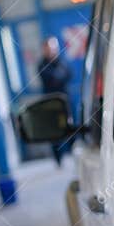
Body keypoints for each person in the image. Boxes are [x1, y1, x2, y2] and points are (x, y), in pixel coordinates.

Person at [38, 37, 71, 165]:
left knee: (70, 125)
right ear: (44, 49)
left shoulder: (62, 61)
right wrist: (58, 75)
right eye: (49, 48)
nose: (52, 50)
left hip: (65, 100)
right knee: (54, 131)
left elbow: (68, 74)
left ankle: (72, 150)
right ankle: (58, 158)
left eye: (54, 47)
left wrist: (59, 75)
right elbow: (53, 79)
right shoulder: (41, 65)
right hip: (50, 103)